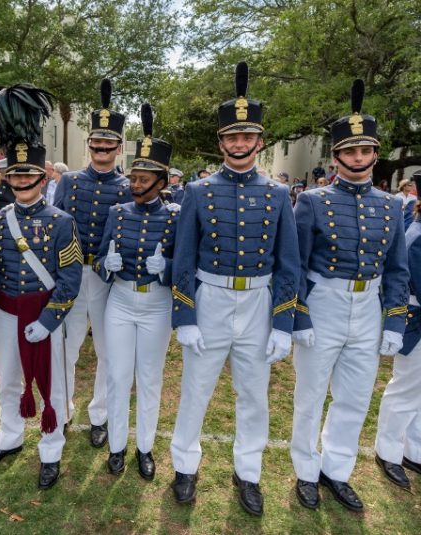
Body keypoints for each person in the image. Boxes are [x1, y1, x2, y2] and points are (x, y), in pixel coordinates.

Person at [170, 62, 299, 516]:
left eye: (248, 137)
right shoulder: (198, 190)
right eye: (232, 137)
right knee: (196, 389)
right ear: (221, 142)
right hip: (210, 298)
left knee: (254, 394)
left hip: (259, 302)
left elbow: (289, 263)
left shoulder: (278, 194)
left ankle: (248, 472)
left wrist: (284, 323)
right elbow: (183, 259)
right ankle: (185, 464)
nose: (240, 144)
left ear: (260, 141)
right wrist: (184, 316)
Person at [290, 80, 409, 512]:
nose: (358, 159)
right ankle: (305, 469)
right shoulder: (313, 202)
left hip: (369, 307)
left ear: (374, 154)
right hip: (325, 302)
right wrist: (298, 316)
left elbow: (397, 269)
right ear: (336, 156)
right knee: (310, 394)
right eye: (350, 152)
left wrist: (395, 320)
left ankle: (336, 469)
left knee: (356, 397)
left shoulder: (391, 205)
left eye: (366, 151)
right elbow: (297, 267)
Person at [0, 84, 80, 489]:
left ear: (42, 176)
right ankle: (10, 436)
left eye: (28, 174)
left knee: (52, 381)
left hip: (44, 312)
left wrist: (51, 320)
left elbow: (70, 279)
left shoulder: (61, 222)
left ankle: (51, 445)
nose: (20, 181)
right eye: (14, 174)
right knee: (9, 379)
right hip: (6, 310)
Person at [94, 103, 179, 481]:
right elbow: (99, 257)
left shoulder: (175, 216)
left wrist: (169, 271)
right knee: (116, 374)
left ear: (162, 182)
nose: (136, 184)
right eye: (135, 177)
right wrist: (106, 266)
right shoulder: (119, 213)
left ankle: (144, 446)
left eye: (145, 179)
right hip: (121, 301)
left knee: (149, 376)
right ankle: (116, 445)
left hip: (157, 304)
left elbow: (185, 266)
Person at [53, 78, 132, 448]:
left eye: (108, 146)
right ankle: (64, 409)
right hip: (70, 274)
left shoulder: (128, 187)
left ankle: (99, 414)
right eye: (96, 145)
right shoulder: (69, 181)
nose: (101, 151)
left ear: (119, 147)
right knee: (66, 346)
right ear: (89, 145)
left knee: (106, 348)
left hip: (105, 277)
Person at [374, 172, 421, 490]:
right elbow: (409, 278)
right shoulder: (415, 233)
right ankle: (388, 451)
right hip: (416, 316)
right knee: (406, 388)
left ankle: (412, 449)